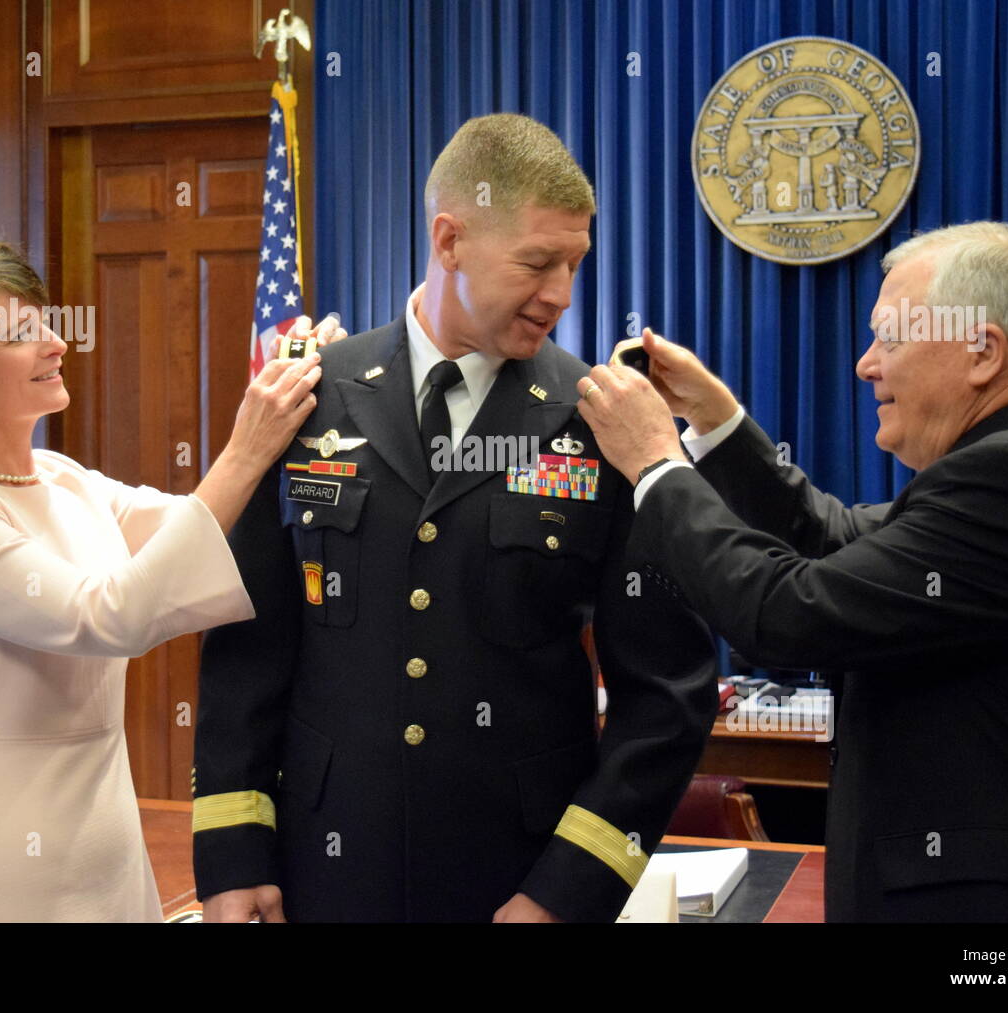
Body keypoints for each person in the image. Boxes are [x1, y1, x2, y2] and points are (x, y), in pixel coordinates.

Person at [193, 114, 717, 923]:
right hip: (328, 869)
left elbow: (666, 695)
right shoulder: (305, 394)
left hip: (518, 881)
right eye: (539, 262)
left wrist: (567, 891)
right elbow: (247, 649)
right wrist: (233, 854)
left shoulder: (601, 418)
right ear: (449, 239)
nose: (563, 295)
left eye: (576, 263)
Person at [577, 221, 1008, 922]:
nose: (866, 364)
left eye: (889, 339)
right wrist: (711, 418)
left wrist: (656, 465)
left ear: (983, 352)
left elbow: (789, 614)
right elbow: (832, 541)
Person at [0, 233, 334, 922]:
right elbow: (109, 615)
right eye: (23, 330)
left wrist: (295, 398)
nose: (57, 341)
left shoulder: (61, 478)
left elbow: (204, 531)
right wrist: (245, 447)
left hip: (109, 853)